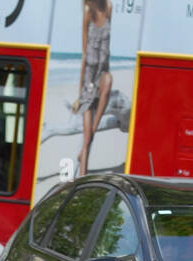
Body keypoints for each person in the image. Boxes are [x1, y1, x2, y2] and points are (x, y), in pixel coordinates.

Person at [71, 0, 112, 177]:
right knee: (86, 136)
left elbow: (108, 47)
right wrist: (80, 94)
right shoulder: (88, 11)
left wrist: (106, 70)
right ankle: (82, 176)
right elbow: (85, 53)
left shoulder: (109, 7)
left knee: (108, 82)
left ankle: (88, 142)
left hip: (102, 71)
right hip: (89, 76)